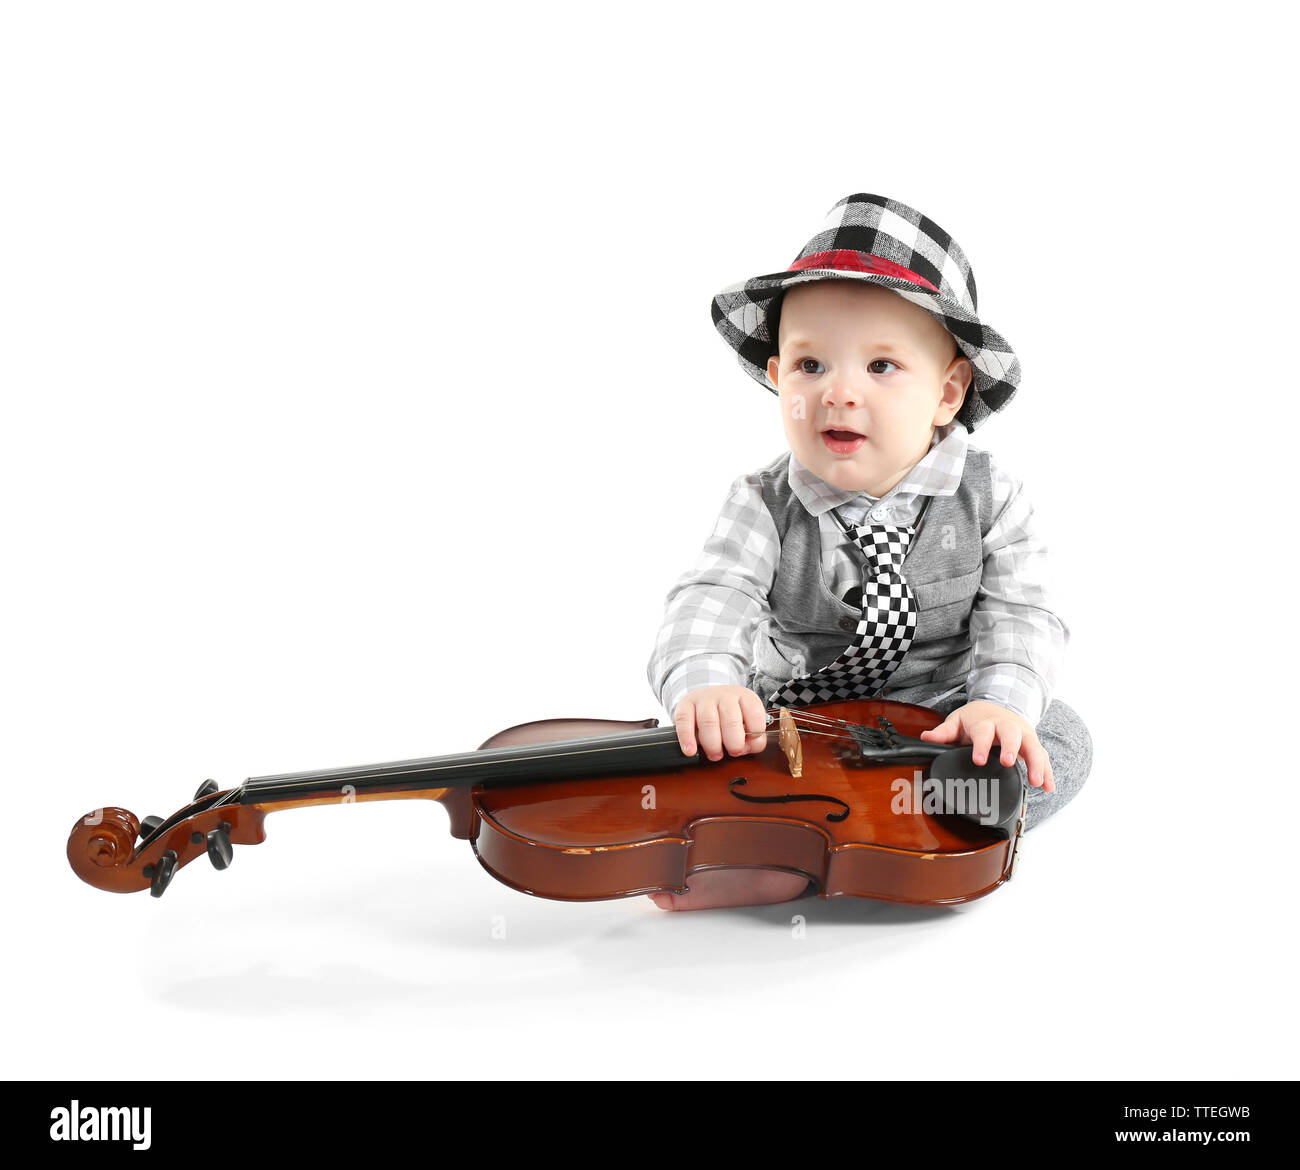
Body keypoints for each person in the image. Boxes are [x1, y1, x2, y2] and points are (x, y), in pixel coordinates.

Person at [645, 192, 1092, 911]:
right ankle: (781, 850)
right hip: (795, 724)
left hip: (935, 712)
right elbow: (713, 595)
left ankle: (884, 840)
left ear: (947, 392)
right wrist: (706, 684)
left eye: (881, 367)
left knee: (1060, 740)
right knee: (702, 744)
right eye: (810, 364)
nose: (838, 394)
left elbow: (1023, 613)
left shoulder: (991, 496)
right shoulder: (763, 501)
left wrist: (998, 707)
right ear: (776, 377)